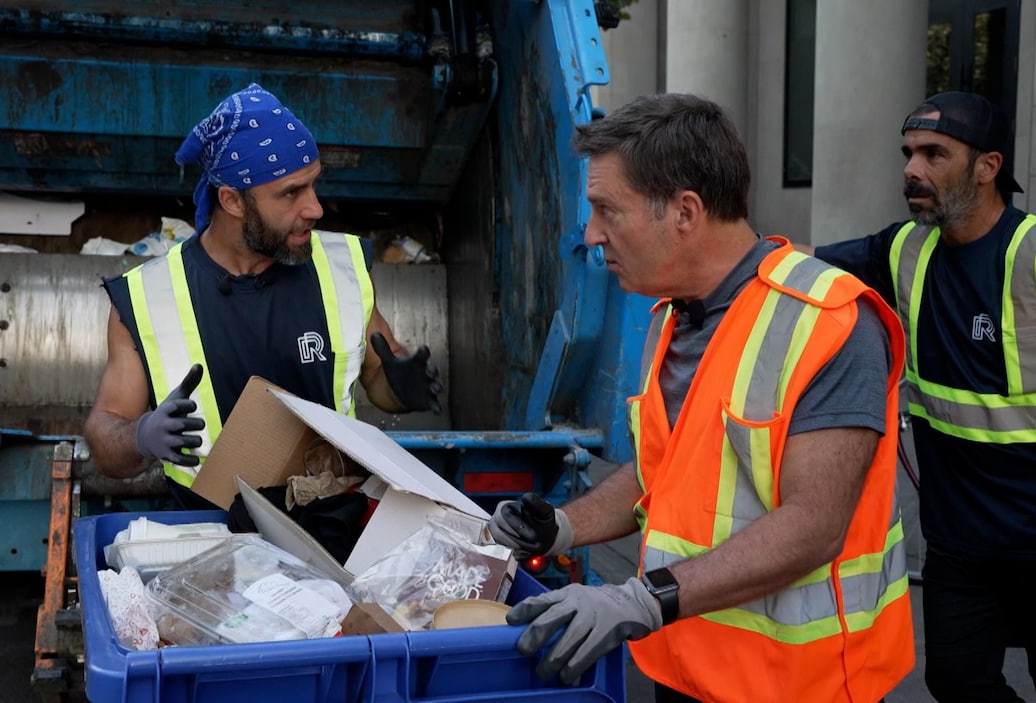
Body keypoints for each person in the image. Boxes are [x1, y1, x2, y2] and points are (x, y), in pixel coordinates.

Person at [488, 93, 914, 702]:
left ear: (685, 212)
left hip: (799, 685)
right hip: (685, 665)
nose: (592, 235)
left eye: (608, 211)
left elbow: (814, 524)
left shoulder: (827, 320)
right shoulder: (672, 316)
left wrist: (644, 598)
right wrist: (563, 526)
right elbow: (662, 474)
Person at [804, 91, 1036, 703]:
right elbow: (805, 266)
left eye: (934, 154)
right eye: (908, 153)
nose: (911, 169)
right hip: (960, 541)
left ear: (987, 167)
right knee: (955, 681)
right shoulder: (903, 249)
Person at [85, 84, 443, 509]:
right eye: (291, 192)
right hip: (211, 535)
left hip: (332, 528)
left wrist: (401, 386)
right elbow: (106, 441)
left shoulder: (342, 267)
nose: (315, 208)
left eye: (313, 185)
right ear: (232, 200)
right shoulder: (146, 297)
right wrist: (140, 435)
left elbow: (379, 378)